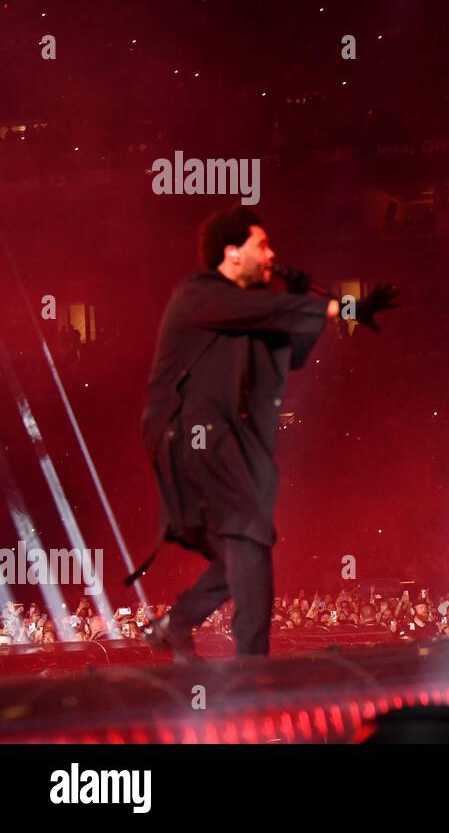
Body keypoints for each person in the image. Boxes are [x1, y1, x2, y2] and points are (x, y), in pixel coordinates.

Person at [136, 207, 398, 658]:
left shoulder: (243, 315)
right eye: (262, 245)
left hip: (214, 438)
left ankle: (172, 626)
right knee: (251, 535)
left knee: (237, 554)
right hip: (190, 434)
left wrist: (303, 307)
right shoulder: (198, 295)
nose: (271, 253)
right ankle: (253, 668)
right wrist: (342, 306)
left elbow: (290, 350)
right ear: (232, 253)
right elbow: (265, 310)